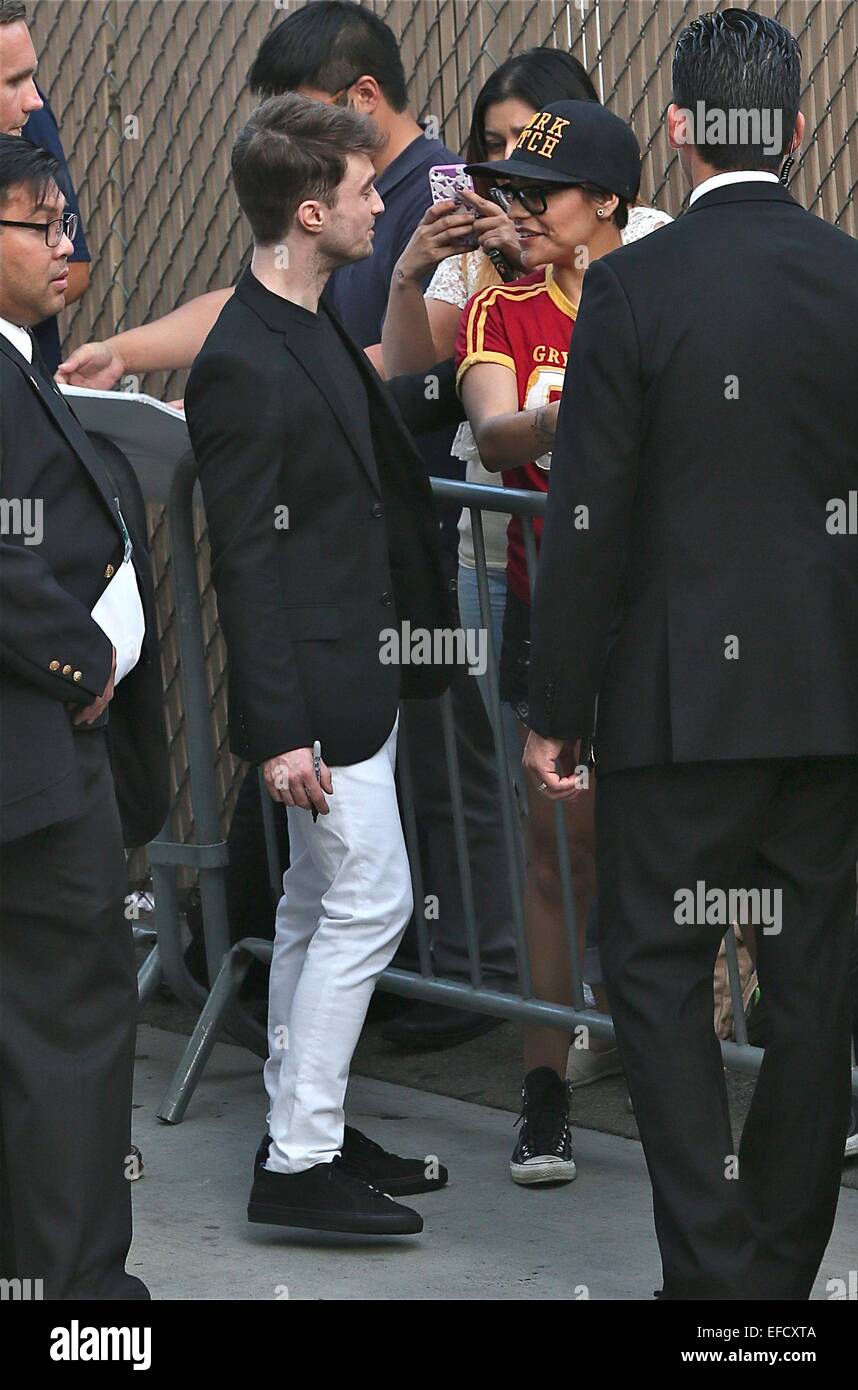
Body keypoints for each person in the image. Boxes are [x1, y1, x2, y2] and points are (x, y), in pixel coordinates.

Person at [59, 1, 520, 1048]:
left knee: (417, 817)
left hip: (406, 566)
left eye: (297, 117)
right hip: (330, 611)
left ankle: (442, 1004)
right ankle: (303, 1124)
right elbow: (253, 314)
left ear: (359, 106)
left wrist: (242, 393)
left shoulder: (422, 198)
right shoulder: (302, 252)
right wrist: (134, 350)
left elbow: (382, 358)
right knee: (344, 878)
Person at [524, 8, 858, 1299]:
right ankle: (776, 1270)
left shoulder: (631, 287)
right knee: (806, 968)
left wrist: (556, 706)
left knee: (659, 971)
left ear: (675, 128)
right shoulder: (853, 277)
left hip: (676, 704)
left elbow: (587, 513)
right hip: (830, 697)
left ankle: (707, 1266)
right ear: (787, 126)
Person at [185, 94, 459, 1236]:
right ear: (310, 213)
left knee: (312, 904)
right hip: (323, 702)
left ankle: (310, 1125)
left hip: (360, 678)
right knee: (368, 901)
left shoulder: (298, 326)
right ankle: (296, 1161)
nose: (375, 205)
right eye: (360, 193)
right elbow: (244, 563)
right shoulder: (242, 361)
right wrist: (281, 731)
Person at [454, 99, 655, 1184]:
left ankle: (697, 1067)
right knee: (555, 849)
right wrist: (580, 412)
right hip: (552, 608)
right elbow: (490, 434)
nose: (517, 212)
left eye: (541, 194)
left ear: (608, 202)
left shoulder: (661, 293)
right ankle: (540, 1088)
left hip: (667, 619)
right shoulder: (504, 307)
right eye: (508, 191)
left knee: (674, 849)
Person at [0, 135, 168, 1297]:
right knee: (69, 1043)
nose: (67, 245)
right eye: (40, 222)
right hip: (34, 766)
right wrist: (82, 663)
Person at [0, 2, 92, 371]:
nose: (34, 100)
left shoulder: (25, 125)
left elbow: (75, 267)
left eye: (31, 78)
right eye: (12, 82)